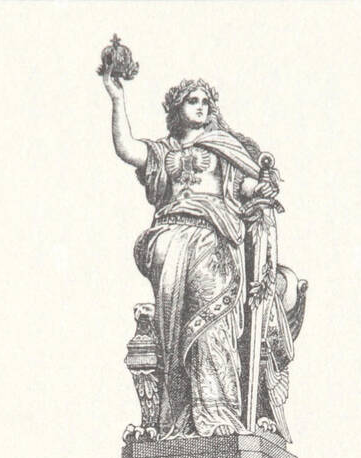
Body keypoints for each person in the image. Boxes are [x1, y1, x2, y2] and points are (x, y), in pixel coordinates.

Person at [101, 71, 279, 436]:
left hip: (213, 235)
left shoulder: (225, 147)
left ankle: (216, 412)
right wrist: (117, 99)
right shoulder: (164, 150)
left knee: (212, 320)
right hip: (170, 235)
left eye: (204, 102)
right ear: (177, 108)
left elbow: (245, 186)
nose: (200, 107)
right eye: (192, 101)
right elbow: (127, 148)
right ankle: (180, 412)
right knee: (174, 291)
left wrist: (261, 187)